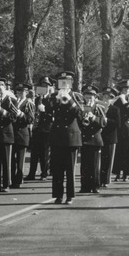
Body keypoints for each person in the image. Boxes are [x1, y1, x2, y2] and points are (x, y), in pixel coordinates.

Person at [47, 71, 82, 204]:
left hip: (71, 137)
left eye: (66, 82)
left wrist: (70, 100)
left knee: (70, 169)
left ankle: (70, 196)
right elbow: (48, 112)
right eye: (62, 82)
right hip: (57, 136)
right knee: (57, 169)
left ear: (71, 83)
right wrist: (55, 100)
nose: (64, 85)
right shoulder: (54, 96)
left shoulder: (76, 96)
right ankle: (58, 195)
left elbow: (80, 114)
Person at [78, 85, 105, 194]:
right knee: (84, 165)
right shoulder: (81, 108)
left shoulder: (99, 108)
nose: (89, 99)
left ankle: (95, 186)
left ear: (95, 97)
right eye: (87, 97)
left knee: (94, 165)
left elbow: (103, 123)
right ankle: (84, 186)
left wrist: (93, 117)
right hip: (84, 139)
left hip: (95, 139)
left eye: (91, 97)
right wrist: (82, 117)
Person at [26, 76, 54, 181]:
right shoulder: (37, 98)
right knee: (34, 152)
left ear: (50, 87)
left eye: (47, 85)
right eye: (42, 84)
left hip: (46, 128)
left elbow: (54, 115)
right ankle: (31, 173)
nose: (44, 86)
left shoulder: (52, 99)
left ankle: (44, 173)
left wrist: (45, 111)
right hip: (36, 128)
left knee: (44, 152)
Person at [11, 83, 35, 188]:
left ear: (26, 92)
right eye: (18, 91)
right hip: (12, 133)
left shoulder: (28, 103)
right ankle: (12, 179)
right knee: (12, 159)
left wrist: (21, 114)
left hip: (22, 133)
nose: (20, 93)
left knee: (20, 159)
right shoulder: (13, 102)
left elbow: (30, 119)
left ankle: (19, 179)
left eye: (22, 91)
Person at [98, 87, 118, 189]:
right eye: (105, 96)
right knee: (99, 160)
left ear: (112, 99)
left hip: (109, 137)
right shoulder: (98, 107)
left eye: (109, 97)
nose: (106, 99)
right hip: (99, 136)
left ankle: (105, 180)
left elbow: (117, 123)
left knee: (107, 160)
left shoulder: (115, 109)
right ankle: (98, 180)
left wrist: (107, 120)